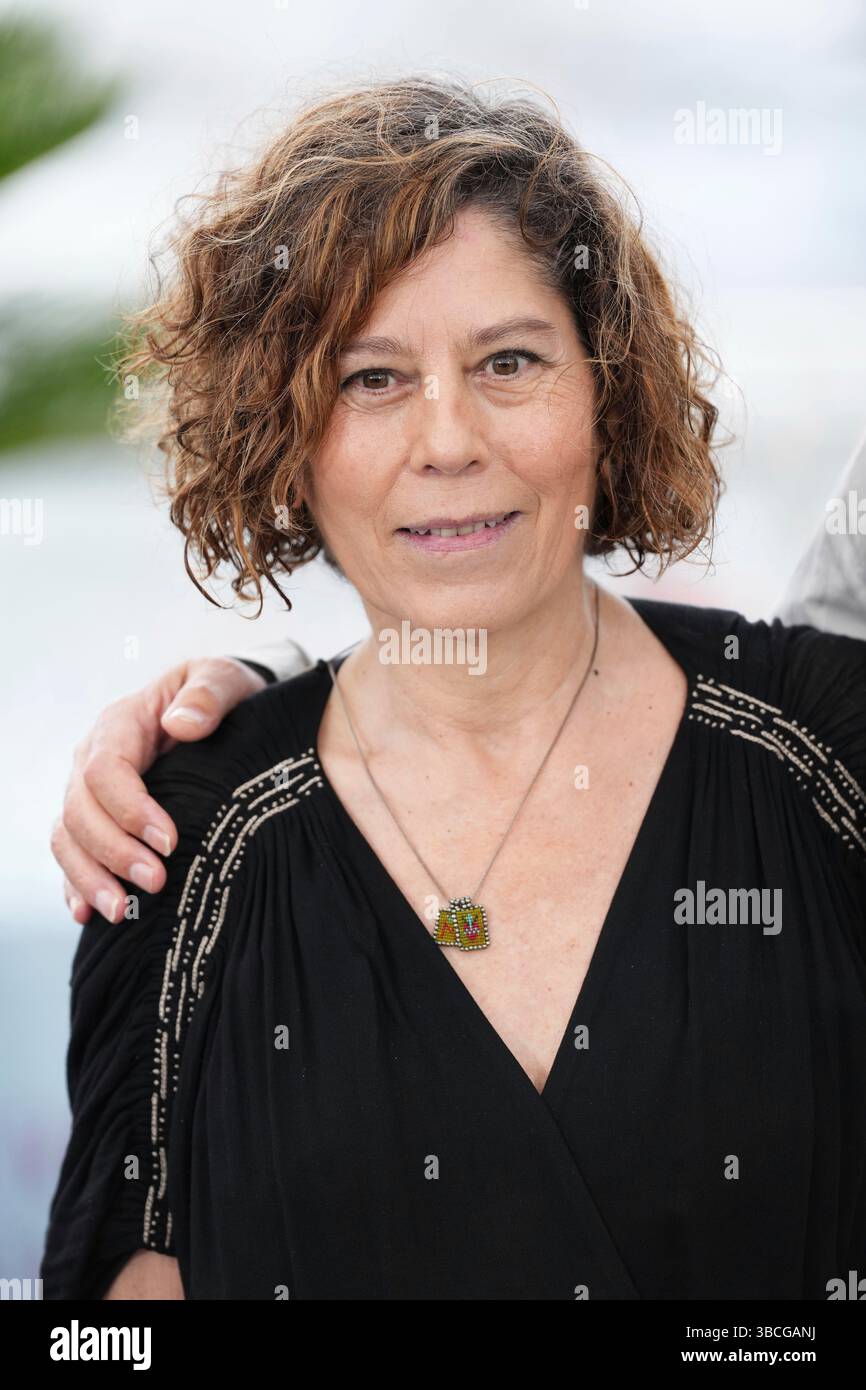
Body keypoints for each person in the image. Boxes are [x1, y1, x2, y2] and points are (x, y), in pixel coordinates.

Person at [41, 75, 866, 1301]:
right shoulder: (180, 838)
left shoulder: (820, 753)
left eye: (511, 360)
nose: (446, 439)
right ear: (284, 435)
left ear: (608, 392)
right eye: (370, 378)